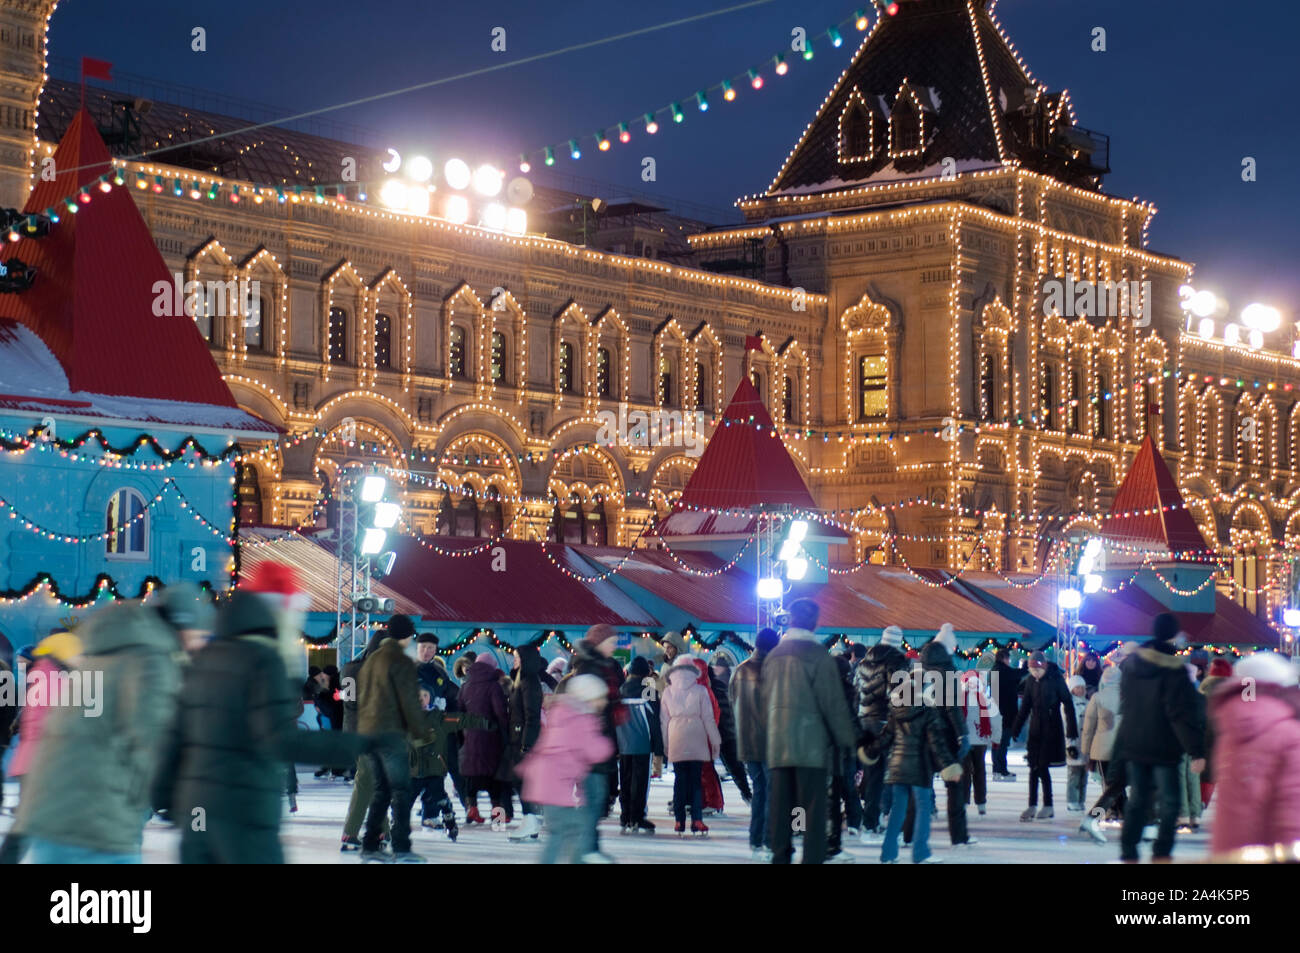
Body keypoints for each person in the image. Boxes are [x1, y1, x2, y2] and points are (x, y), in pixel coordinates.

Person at [155, 578, 383, 864]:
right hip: (243, 807)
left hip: (198, 806)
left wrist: (163, 795)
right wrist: (359, 745)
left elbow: (175, 734)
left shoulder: (204, 661)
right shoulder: (263, 660)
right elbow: (280, 739)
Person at [13, 584, 208, 863]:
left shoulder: (99, 658)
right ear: (181, 626)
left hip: (52, 816)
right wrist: (176, 800)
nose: (199, 644)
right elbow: (155, 742)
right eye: (198, 634)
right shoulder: (152, 662)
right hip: (97, 823)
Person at [764, 599, 857, 865]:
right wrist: (848, 740)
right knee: (813, 813)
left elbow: (764, 701)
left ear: (790, 620)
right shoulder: (818, 656)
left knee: (783, 810)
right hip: (811, 748)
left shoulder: (774, 657)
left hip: (779, 746)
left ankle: (781, 857)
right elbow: (833, 704)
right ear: (814, 622)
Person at [1112, 613, 1206, 863]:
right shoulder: (1175, 671)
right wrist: (1196, 750)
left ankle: (1129, 851)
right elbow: (1181, 713)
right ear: (1174, 635)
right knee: (1170, 802)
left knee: (1138, 800)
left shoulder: (1131, 667)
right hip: (1164, 746)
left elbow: (1127, 704)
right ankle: (1161, 853)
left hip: (1134, 742)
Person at [356, 613, 436, 863]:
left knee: (381, 790)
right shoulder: (399, 660)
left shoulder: (372, 659)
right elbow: (409, 702)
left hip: (369, 734)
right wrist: (421, 733)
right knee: (401, 790)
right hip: (390, 734)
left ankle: (370, 844)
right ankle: (401, 848)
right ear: (407, 636)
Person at [863, 666, 963, 864]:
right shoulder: (928, 712)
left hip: (897, 768)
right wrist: (949, 765)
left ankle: (888, 854)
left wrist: (869, 751)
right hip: (919, 768)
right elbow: (937, 744)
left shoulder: (895, 711)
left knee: (897, 811)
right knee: (923, 809)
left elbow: (884, 740)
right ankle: (921, 853)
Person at [0, 632, 83, 864]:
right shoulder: (49, 677)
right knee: (33, 822)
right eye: (77, 653)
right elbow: (41, 721)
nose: (80, 658)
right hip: (40, 760)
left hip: (39, 759)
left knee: (32, 821)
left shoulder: (50, 675)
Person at [1207, 652, 1300, 856]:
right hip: (1272, 853)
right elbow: (1291, 807)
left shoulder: (1229, 729)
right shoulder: (1290, 734)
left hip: (1228, 852)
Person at [519, 674, 615, 864]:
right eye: (600, 698)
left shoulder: (563, 714)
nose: (603, 703)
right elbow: (597, 750)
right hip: (556, 787)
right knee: (582, 824)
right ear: (588, 698)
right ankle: (582, 858)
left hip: (546, 785)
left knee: (558, 832)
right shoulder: (581, 719)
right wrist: (605, 738)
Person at [564, 624, 626, 858]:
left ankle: (590, 848)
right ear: (599, 643)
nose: (614, 646)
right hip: (589, 743)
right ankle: (586, 850)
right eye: (611, 642)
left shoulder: (605, 667)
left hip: (600, 741)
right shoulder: (590, 668)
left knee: (596, 798)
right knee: (593, 798)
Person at [853, 625, 909, 839]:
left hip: (863, 720)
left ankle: (869, 818)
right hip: (884, 721)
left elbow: (855, 691)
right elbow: (899, 696)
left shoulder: (864, 662)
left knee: (871, 772)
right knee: (884, 774)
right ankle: (873, 820)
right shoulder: (897, 662)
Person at [1010, 650, 1079, 821]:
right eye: (1032, 670)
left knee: (1041, 766)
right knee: (1033, 767)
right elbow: (1025, 706)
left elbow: (1068, 705)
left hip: (1051, 729)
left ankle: (1048, 805)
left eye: (1038, 670)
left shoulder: (1056, 680)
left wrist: (1071, 732)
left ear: (1045, 667)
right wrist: (1016, 728)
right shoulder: (1031, 682)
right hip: (1035, 730)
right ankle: (1032, 805)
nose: (1035, 673)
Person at [920, 623, 972, 846]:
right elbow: (952, 707)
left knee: (921, 785)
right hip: (946, 734)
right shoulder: (948, 672)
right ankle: (959, 835)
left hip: (923, 734)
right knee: (954, 785)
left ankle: (909, 834)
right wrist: (963, 734)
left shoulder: (919, 669)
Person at [730, 628, 778, 861]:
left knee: (759, 791)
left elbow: (733, 703)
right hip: (770, 742)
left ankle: (755, 838)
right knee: (771, 793)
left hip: (747, 741)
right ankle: (768, 840)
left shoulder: (740, 670)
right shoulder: (775, 671)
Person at [660, 654, 720, 837]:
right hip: (697, 736)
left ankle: (679, 820)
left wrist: (665, 744)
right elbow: (709, 719)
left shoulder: (668, 692)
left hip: (676, 734)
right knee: (695, 782)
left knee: (679, 781)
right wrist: (715, 741)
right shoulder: (701, 691)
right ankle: (697, 820)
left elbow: (664, 720)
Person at [339, 628, 388, 851]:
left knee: (373, 780)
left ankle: (383, 831)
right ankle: (351, 832)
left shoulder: (349, 668)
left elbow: (349, 704)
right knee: (367, 782)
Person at [459, 651, 509, 826]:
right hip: (490, 737)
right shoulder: (493, 686)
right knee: (494, 777)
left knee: (472, 775)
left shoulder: (465, 685)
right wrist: (506, 729)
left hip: (471, 736)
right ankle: (498, 814)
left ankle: (472, 810)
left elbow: (460, 711)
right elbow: (500, 712)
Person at [504, 644, 546, 841]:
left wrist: (526, 744)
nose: (514, 660)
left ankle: (531, 818)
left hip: (523, 739)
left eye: (517, 657)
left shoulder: (529, 681)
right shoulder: (519, 679)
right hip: (517, 737)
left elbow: (532, 715)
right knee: (520, 780)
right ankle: (532, 818)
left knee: (522, 780)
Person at [616, 656, 661, 834]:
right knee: (640, 782)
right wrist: (658, 746)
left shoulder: (621, 689)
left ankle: (625, 816)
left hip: (623, 742)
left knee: (625, 780)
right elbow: (654, 719)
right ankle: (637, 817)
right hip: (642, 742)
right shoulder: (648, 689)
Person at [1079, 663, 1123, 843]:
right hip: (1123, 749)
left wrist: (1085, 751)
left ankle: (1096, 817)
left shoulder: (1097, 697)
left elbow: (1088, 728)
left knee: (1110, 786)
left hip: (1102, 749)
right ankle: (1120, 814)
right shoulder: (1128, 697)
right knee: (1118, 786)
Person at [826, 652, 864, 861]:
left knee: (828, 792)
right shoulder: (850, 692)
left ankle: (803, 826)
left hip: (828, 748)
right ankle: (853, 824)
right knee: (849, 788)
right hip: (846, 747)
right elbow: (854, 721)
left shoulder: (822, 692)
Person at [410, 682, 458, 842]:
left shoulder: (436, 716)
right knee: (405, 799)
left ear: (430, 698)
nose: (422, 699)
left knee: (440, 798)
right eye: (418, 697)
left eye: (425, 696)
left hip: (433, 768)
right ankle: (398, 824)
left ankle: (450, 821)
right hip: (414, 769)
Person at [708, 653, 751, 804]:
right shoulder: (722, 685)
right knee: (734, 767)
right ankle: (745, 793)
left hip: (721, 733)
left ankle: (743, 794)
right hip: (727, 733)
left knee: (730, 767)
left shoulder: (712, 689)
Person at [959, 665, 1001, 819]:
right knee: (970, 773)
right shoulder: (961, 701)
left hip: (977, 742)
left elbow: (995, 719)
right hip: (966, 741)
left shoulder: (984, 700)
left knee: (977, 772)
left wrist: (996, 738)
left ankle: (979, 803)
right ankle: (968, 802)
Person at [1197, 656, 1233, 809]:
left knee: (1207, 771)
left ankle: (1203, 800)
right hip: (1227, 732)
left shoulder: (1203, 687)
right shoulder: (1236, 688)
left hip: (1206, 732)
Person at [991, 646, 1023, 780]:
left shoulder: (994, 671)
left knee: (997, 742)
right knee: (1003, 742)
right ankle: (1001, 769)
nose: (1009, 661)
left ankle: (996, 769)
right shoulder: (1004, 671)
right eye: (1008, 659)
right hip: (1006, 712)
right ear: (1005, 658)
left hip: (996, 711)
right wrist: (1025, 667)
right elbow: (1017, 675)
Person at [1065, 674, 1091, 811]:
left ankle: (1081, 799)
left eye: (1082, 687)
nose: (1080, 690)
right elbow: (1066, 726)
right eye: (1077, 687)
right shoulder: (1068, 705)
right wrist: (1070, 745)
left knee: (1083, 776)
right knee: (1074, 775)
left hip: (1085, 744)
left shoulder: (1088, 704)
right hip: (1073, 743)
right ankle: (1072, 800)